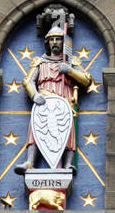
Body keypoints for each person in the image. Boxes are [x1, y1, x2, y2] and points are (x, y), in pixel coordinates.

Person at [15, 22, 91, 175]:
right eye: (52, 40)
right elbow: (28, 81)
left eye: (58, 39)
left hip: (64, 102)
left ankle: (69, 164)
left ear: (63, 42)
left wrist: (70, 71)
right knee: (36, 130)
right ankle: (30, 162)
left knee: (68, 132)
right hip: (43, 101)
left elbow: (86, 79)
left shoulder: (71, 61)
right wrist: (34, 94)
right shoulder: (40, 61)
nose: (55, 42)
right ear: (47, 43)